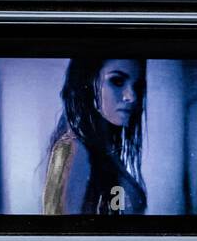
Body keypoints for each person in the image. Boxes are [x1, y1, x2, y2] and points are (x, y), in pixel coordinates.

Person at [43, 57, 147, 216]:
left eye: (137, 86)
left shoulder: (103, 150)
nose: (132, 97)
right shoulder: (73, 148)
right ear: (87, 83)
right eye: (117, 81)